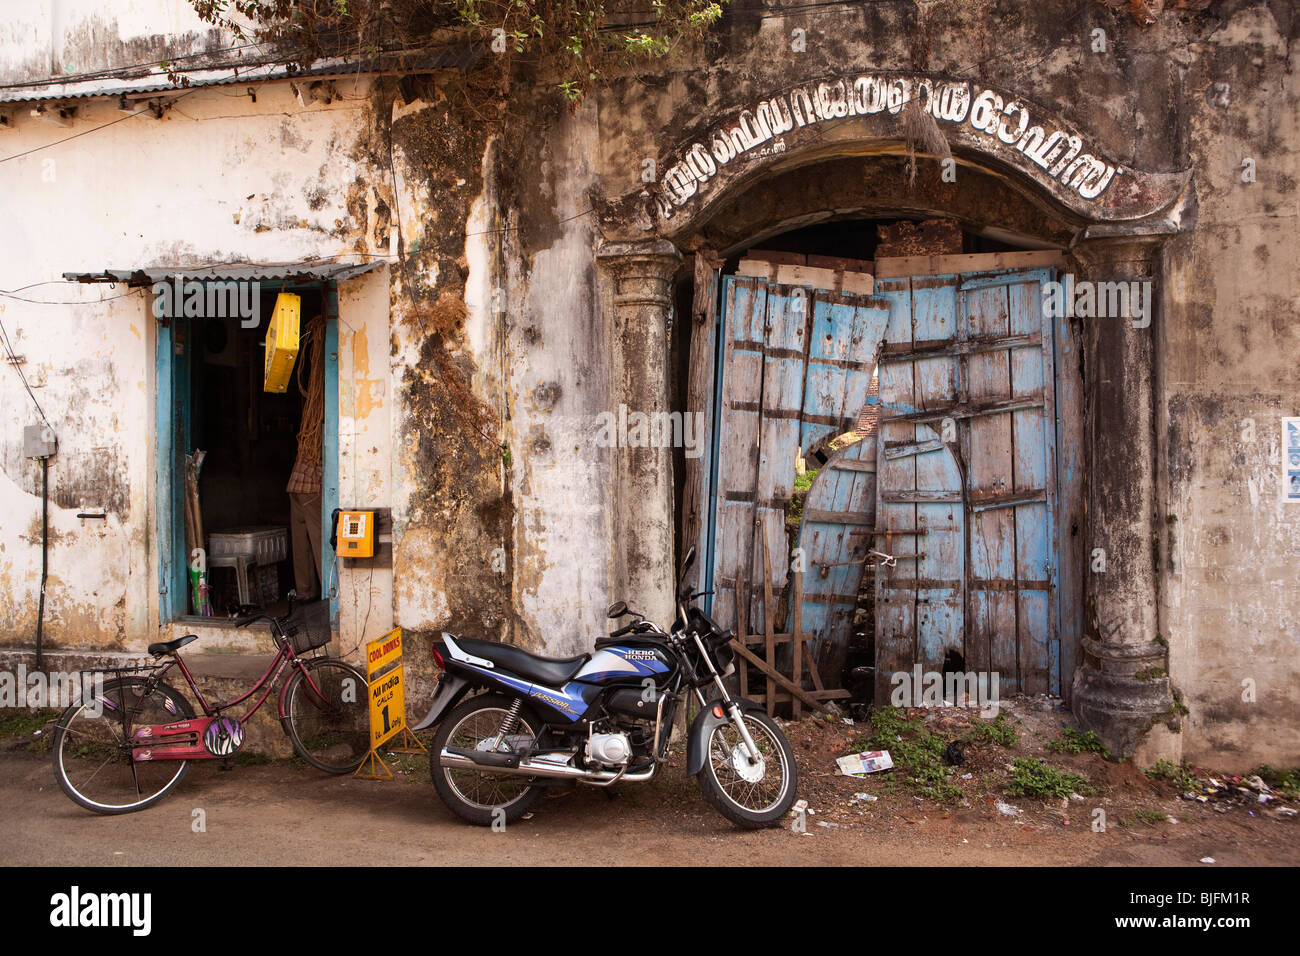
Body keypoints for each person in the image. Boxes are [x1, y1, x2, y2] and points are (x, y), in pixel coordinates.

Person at [288, 315, 325, 599]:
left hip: (294, 485)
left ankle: (304, 592)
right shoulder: (322, 423)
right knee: (319, 539)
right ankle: (327, 594)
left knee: (300, 543)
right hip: (311, 486)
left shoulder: (311, 422)